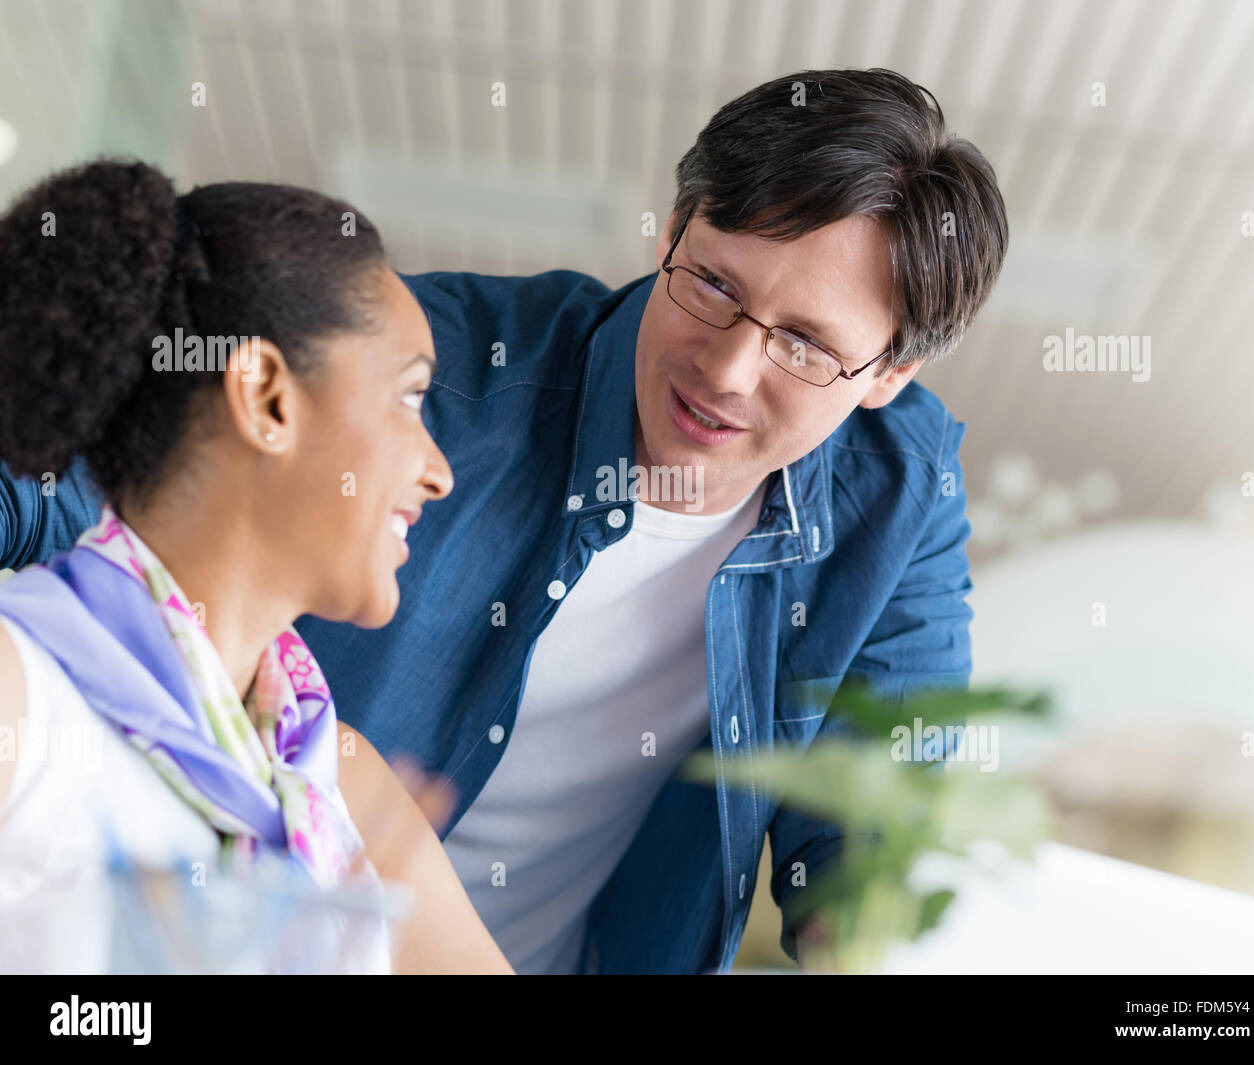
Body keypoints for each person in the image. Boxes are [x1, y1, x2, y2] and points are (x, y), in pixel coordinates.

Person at [1, 68, 1008, 974]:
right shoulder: (429, 367)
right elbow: (112, 473)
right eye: (713, 286)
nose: (728, 370)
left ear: (890, 374)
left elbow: (876, 831)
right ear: (671, 226)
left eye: (803, 345)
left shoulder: (900, 495)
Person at [0, 159, 512, 974]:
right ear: (268, 396)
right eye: (411, 399)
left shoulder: (344, 781)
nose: (438, 470)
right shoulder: (21, 692)